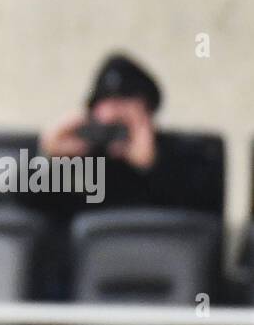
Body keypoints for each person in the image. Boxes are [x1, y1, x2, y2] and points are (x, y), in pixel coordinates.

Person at [35, 52, 224, 218]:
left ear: (147, 115)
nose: (113, 120)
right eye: (106, 108)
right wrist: (49, 156)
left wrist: (152, 167)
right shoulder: (84, 163)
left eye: (124, 111)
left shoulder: (181, 160)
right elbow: (19, 201)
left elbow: (203, 216)